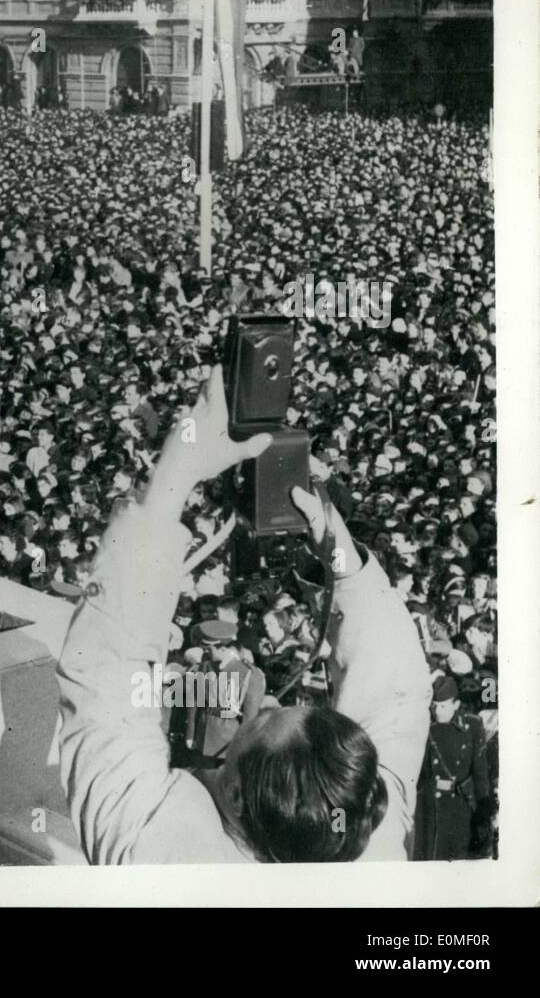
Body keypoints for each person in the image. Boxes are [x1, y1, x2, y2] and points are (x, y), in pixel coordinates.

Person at [57, 366, 431, 863]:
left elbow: (103, 669)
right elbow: (397, 692)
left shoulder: (159, 852)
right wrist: (334, 545)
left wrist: (178, 468)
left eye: (269, 719)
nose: (271, 702)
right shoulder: (361, 839)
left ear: (236, 799)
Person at [413, 675, 491, 861]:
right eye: (435, 706)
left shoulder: (471, 726)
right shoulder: (424, 726)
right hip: (430, 807)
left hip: (459, 807)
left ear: (456, 705)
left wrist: (484, 812)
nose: (437, 711)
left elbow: (480, 772)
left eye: (443, 706)